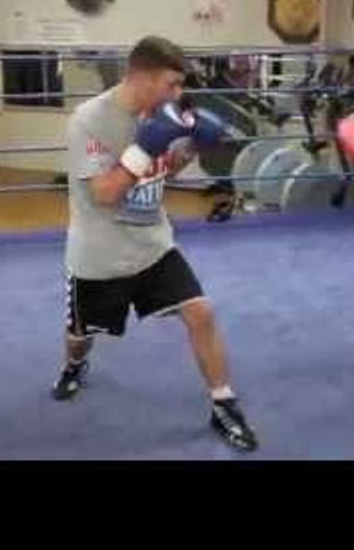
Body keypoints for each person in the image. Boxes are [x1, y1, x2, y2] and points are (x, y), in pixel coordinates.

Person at [53, 35, 259, 452]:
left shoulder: (164, 113)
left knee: (201, 313)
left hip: (153, 244)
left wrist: (192, 148)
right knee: (80, 332)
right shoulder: (88, 121)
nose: (178, 95)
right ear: (142, 78)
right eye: (171, 84)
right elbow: (105, 193)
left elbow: (168, 172)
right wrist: (145, 145)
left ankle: (224, 405)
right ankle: (75, 363)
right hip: (100, 255)